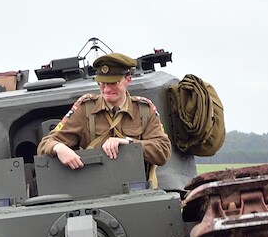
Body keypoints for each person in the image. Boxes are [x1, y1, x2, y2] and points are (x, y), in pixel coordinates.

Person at [36, 53, 171, 181]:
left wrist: (129, 143)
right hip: (95, 186)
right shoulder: (86, 109)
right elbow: (46, 143)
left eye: (113, 83)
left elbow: (163, 151)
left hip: (137, 186)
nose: (106, 90)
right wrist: (59, 148)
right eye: (102, 83)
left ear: (127, 80)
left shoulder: (143, 110)